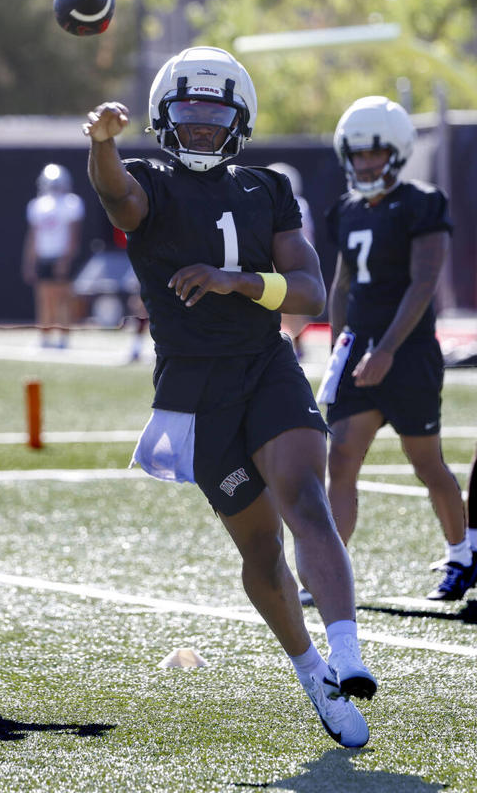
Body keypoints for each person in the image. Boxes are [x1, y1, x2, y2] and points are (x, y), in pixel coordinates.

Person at [83, 46, 376, 748]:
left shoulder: (265, 187)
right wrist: (101, 145)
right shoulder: (148, 181)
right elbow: (118, 196)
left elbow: (309, 292)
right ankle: (313, 674)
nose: (201, 126)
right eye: (187, 111)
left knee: (306, 496)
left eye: (214, 114)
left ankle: (349, 653)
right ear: (164, 117)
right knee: (261, 549)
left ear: (239, 120)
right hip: (195, 389)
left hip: (265, 364)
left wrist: (237, 281)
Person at [323, 95, 473, 601]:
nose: (366, 163)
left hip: (407, 353)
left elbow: (424, 282)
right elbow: (342, 284)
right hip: (359, 352)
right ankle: (330, 569)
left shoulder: (421, 202)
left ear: (397, 152)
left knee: (426, 461)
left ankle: (462, 556)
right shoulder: (346, 209)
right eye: (358, 154)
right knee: (341, 457)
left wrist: (386, 349)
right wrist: (339, 345)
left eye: (375, 153)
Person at [22, 163, 84, 348]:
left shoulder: (71, 203)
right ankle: (46, 336)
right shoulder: (37, 205)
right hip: (44, 256)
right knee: (44, 298)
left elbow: (74, 235)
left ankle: (63, 337)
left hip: (61, 256)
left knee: (63, 298)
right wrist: (29, 262)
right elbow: (33, 236)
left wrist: (66, 259)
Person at [267, 163, 315, 360]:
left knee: (293, 306)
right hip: (282, 262)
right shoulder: (269, 205)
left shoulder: (297, 205)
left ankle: (297, 343)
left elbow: (305, 237)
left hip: (289, 262)